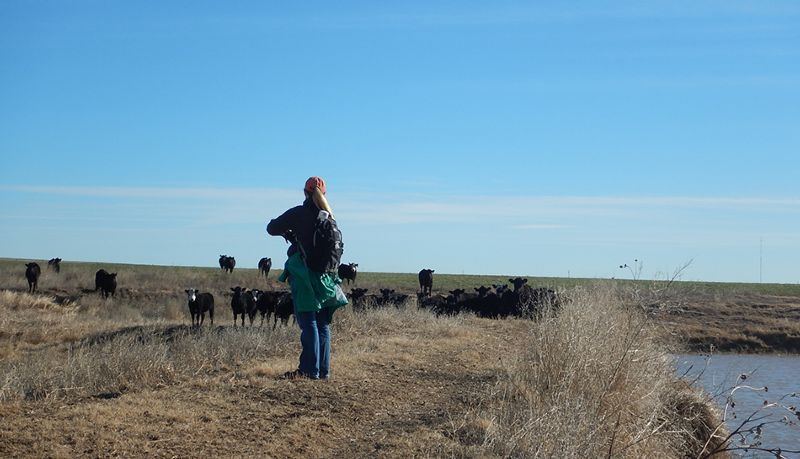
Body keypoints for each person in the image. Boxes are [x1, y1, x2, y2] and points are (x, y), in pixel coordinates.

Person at [266, 176, 348, 380]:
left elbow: (271, 228)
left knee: (308, 320)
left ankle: (309, 370)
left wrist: (290, 232)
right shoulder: (329, 217)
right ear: (324, 194)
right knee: (322, 323)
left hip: (305, 275)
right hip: (327, 277)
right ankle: (323, 371)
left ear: (305, 192)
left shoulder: (299, 213)